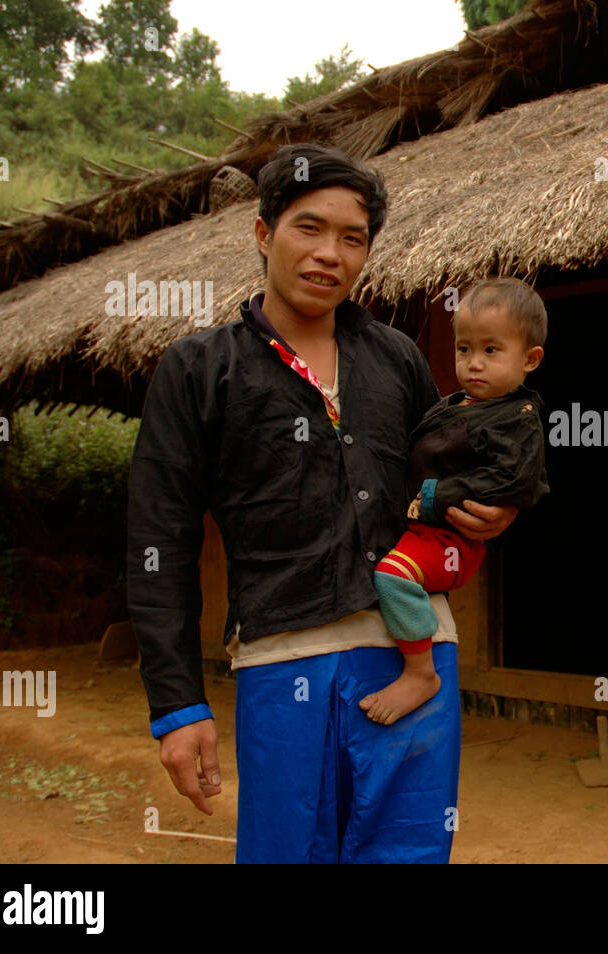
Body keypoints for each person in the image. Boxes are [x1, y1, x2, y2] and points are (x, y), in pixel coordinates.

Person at [126, 142, 517, 863]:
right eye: (309, 227)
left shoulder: (396, 358)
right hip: (284, 660)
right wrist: (177, 706)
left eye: (353, 237)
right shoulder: (197, 370)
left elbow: (455, 471)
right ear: (263, 233)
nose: (329, 253)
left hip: (414, 655)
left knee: (408, 855)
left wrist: (497, 506)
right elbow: (160, 544)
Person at [361, 278, 549, 725]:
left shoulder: (517, 421)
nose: (474, 364)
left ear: (530, 360)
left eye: (490, 350)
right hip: (427, 530)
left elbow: (515, 479)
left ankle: (420, 673)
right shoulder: (457, 405)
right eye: (464, 349)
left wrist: (432, 496)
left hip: (452, 539)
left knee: (391, 578)